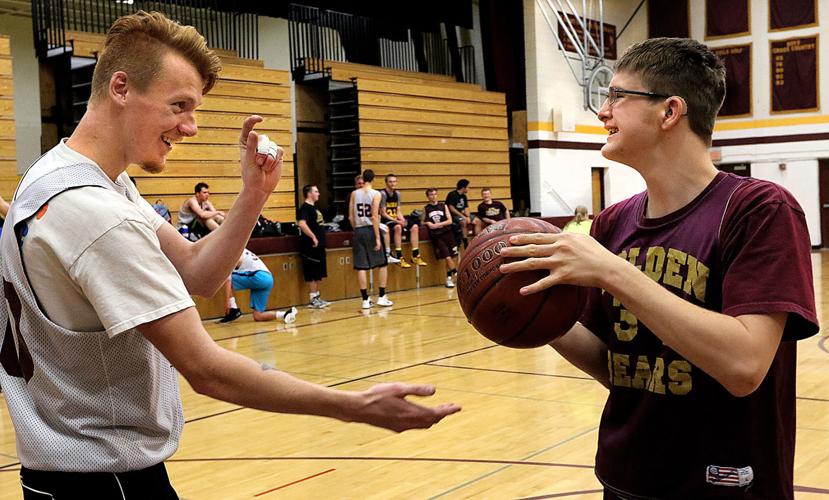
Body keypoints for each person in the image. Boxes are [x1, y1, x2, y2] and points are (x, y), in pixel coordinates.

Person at [0, 12, 459, 498]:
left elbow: (197, 274)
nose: (191, 127)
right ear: (120, 88)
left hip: (67, 472)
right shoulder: (96, 215)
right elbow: (208, 369)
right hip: (104, 482)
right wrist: (352, 405)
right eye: (179, 105)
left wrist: (254, 194)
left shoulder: (64, 174)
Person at [500, 38, 817, 499]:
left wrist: (612, 272)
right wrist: (530, 307)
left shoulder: (760, 209)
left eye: (616, 96)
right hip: (627, 479)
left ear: (669, 112)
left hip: (725, 484)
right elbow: (619, 368)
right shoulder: (614, 221)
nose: (602, 112)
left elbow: (744, 365)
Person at [349, 169, 394, 309]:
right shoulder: (376, 194)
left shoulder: (354, 193)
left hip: (358, 230)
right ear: (373, 179)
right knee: (382, 264)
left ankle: (365, 300)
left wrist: (356, 229)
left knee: (361, 266)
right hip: (370, 229)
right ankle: (381, 296)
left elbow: (350, 216)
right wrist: (377, 238)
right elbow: (375, 216)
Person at [219, 248, 297, 323]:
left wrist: (227, 303)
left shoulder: (233, 253)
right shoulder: (241, 249)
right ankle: (285, 314)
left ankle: (233, 309)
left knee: (224, 277)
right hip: (268, 279)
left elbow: (228, 279)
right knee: (258, 316)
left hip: (259, 276)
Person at [381, 173, 427, 268]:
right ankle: (399, 256)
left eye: (394, 181)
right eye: (390, 181)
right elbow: (383, 213)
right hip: (386, 219)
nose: (392, 183)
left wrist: (402, 219)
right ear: (386, 183)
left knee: (414, 226)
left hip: (395, 218)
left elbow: (398, 211)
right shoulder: (383, 194)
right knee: (398, 227)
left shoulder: (397, 194)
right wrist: (397, 221)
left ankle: (415, 255)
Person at [297, 184, 331, 309]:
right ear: (310, 193)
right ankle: (312, 298)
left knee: (318, 272)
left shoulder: (314, 208)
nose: (319, 194)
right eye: (316, 191)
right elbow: (301, 223)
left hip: (319, 246)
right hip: (310, 246)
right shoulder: (305, 208)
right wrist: (313, 237)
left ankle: (317, 297)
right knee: (312, 272)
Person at [422, 188, 458, 288]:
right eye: (431, 195)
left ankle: (449, 279)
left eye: (435, 194)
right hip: (437, 236)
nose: (433, 196)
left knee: (451, 256)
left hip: (448, 233)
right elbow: (422, 221)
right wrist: (427, 223)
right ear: (428, 196)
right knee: (447, 256)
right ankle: (457, 274)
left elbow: (450, 220)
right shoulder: (426, 208)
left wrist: (438, 224)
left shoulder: (443, 206)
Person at [445, 178, 471, 248]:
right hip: (454, 215)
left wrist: (468, 216)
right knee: (463, 221)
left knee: (477, 221)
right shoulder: (452, 194)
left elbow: (466, 207)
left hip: (462, 214)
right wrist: (463, 216)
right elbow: (451, 208)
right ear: (463, 187)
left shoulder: (464, 196)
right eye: (468, 187)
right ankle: (465, 241)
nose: (469, 188)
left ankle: (477, 240)